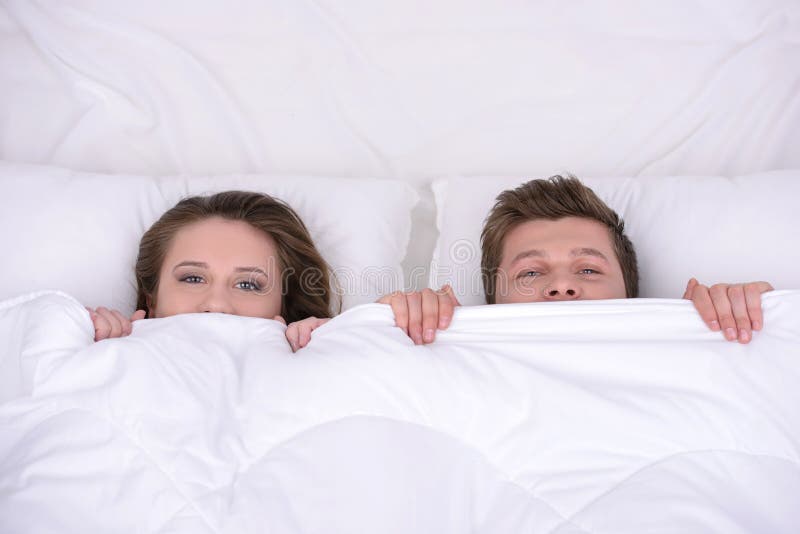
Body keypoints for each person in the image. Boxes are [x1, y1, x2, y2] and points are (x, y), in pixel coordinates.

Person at [290, 175, 772, 349]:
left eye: (588, 270)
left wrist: (758, 319)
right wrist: (370, 331)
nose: (562, 286)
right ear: (493, 300)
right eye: (531, 273)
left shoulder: (703, 334)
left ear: (631, 290)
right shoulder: (446, 350)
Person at [87, 190, 338, 352]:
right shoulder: (102, 353)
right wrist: (87, 343)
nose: (216, 305)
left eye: (247, 284)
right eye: (193, 278)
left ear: (283, 307)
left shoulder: (322, 361)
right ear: (152, 301)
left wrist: (341, 343)